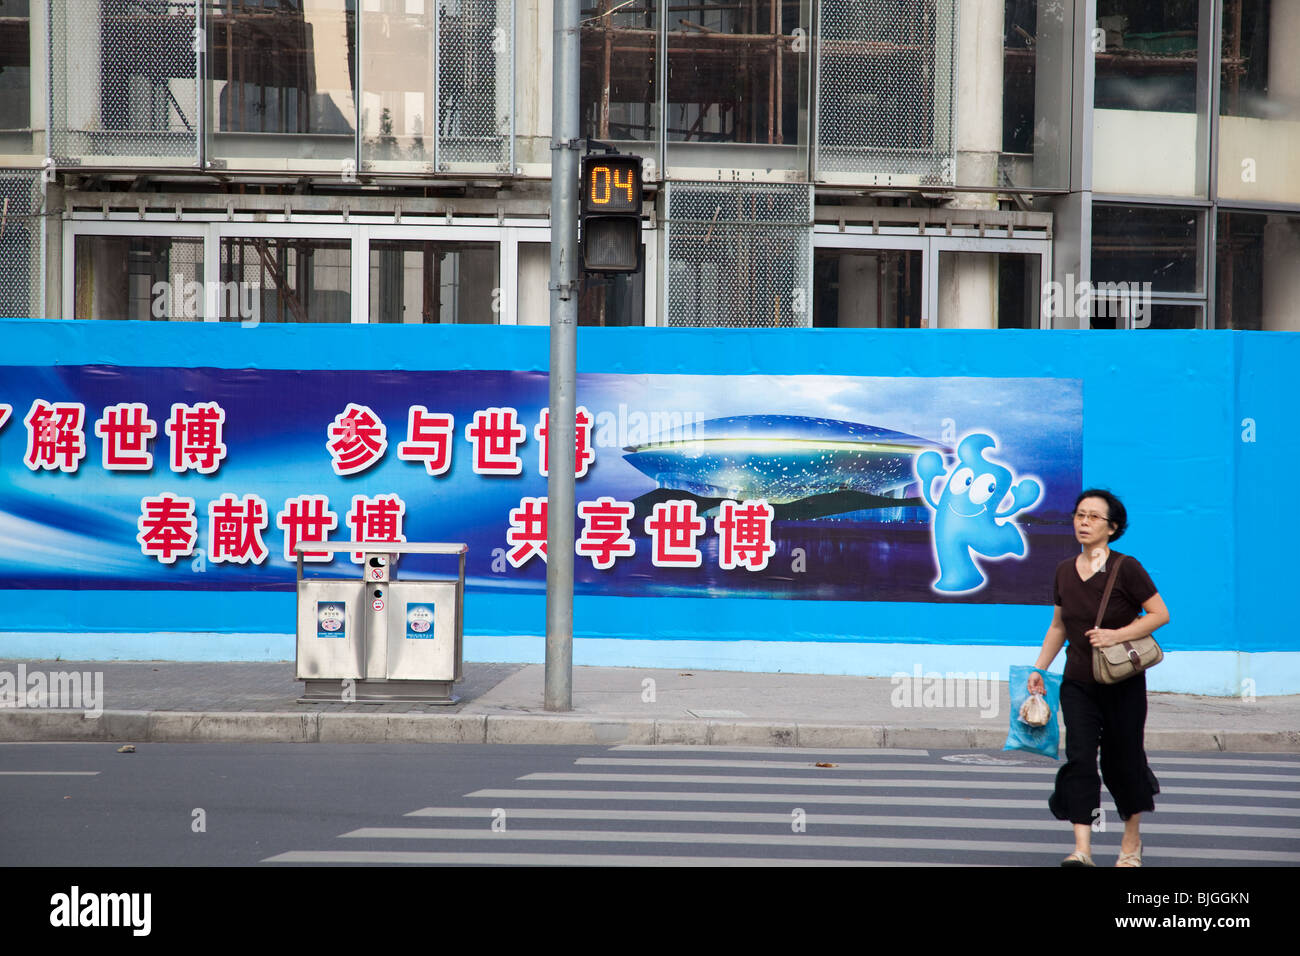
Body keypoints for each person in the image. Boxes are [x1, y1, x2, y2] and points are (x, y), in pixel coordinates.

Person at [1027, 489, 1170, 867]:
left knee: (1123, 762)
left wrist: (1115, 636)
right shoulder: (1063, 571)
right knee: (1079, 761)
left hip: (1122, 684)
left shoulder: (1127, 568)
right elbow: (1058, 626)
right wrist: (1039, 669)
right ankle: (1082, 849)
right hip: (1077, 683)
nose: (1084, 522)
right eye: (1079, 515)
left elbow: (1159, 614)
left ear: (1113, 527)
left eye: (1093, 517)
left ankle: (1131, 840)